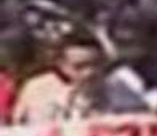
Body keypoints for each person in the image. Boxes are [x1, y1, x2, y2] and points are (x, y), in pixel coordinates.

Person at [13, 27, 145, 122]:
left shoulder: (125, 96)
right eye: (79, 67)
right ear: (63, 67)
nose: (89, 72)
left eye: (96, 64)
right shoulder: (47, 100)